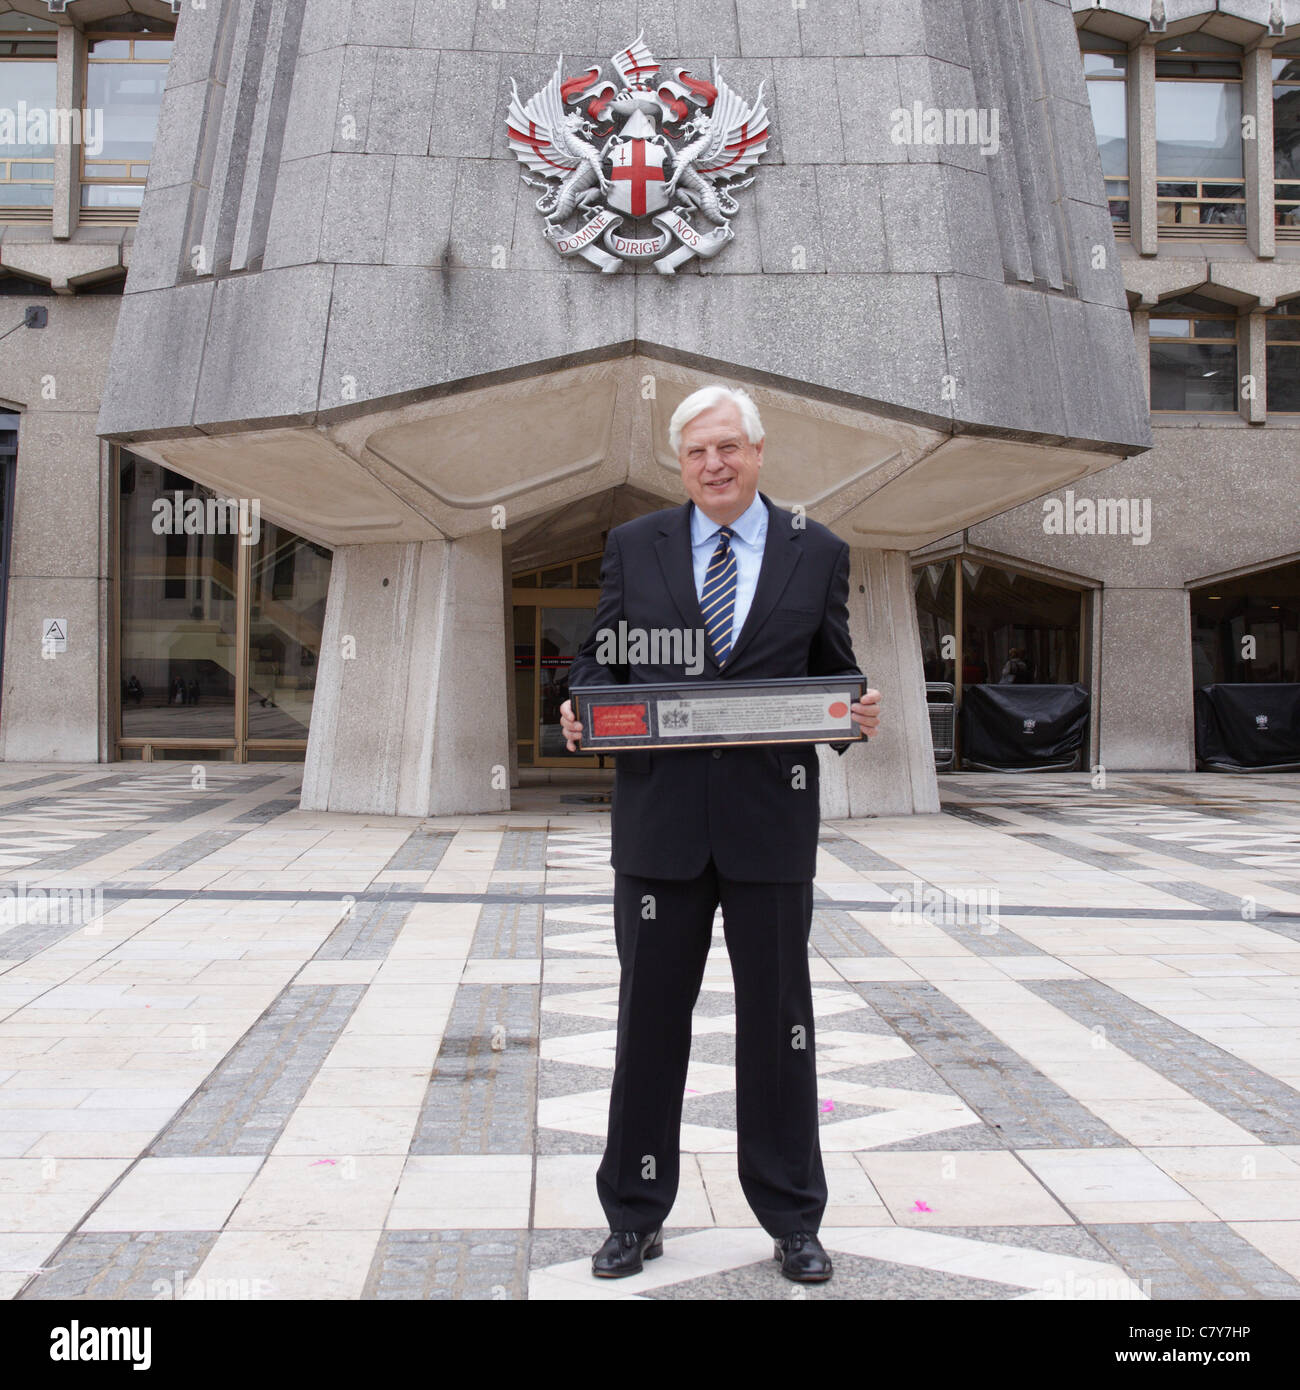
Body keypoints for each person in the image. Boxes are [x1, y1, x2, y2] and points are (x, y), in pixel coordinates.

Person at [560, 385, 882, 1284]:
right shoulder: (635, 546)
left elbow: (832, 673)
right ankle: (634, 1213)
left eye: (730, 447)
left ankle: (791, 1219)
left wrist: (854, 707)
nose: (715, 463)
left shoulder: (817, 551)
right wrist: (580, 706)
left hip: (769, 832)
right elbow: (602, 660)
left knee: (779, 1026)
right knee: (648, 1023)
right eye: (699, 450)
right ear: (681, 460)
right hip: (660, 829)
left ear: (759, 451)